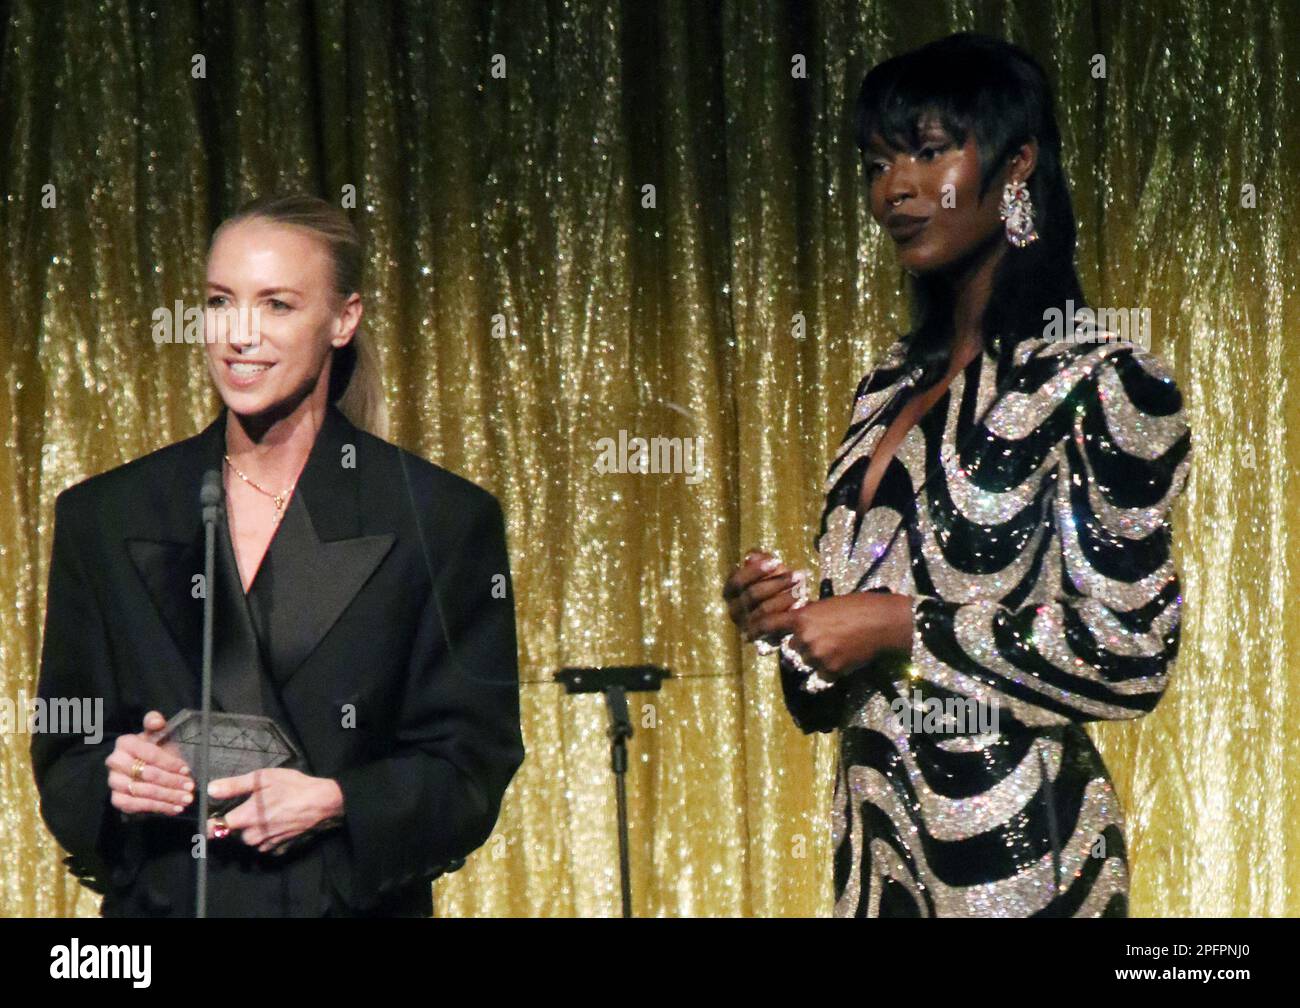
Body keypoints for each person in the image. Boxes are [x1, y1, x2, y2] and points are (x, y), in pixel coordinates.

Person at [723, 33, 1191, 917]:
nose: (893, 188)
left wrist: (899, 625)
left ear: (1016, 165)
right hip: (878, 863)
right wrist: (792, 625)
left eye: (929, 151)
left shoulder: (1099, 379)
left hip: (1022, 863)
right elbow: (839, 681)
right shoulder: (887, 388)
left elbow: (1133, 655)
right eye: (877, 162)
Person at [31, 193, 525, 917]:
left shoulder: (440, 520)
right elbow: (67, 744)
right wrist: (118, 780)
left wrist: (336, 801)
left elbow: (470, 765)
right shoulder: (104, 515)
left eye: (278, 305)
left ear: (344, 319)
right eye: (220, 302)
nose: (239, 335)